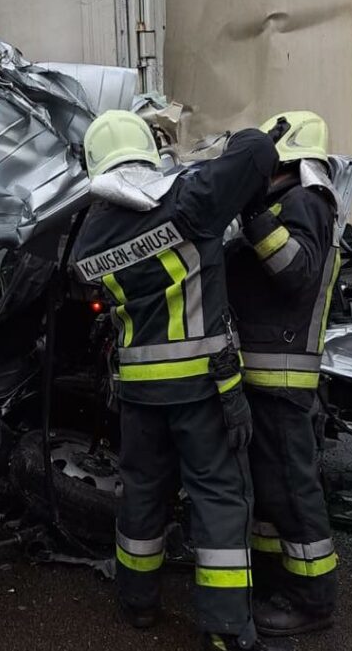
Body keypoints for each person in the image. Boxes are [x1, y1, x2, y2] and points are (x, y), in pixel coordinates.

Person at [71, 110, 277, 651]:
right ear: (145, 149)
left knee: (141, 493)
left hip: (139, 394)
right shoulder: (188, 200)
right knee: (218, 498)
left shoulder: (85, 244)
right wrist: (224, 143)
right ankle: (227, 628)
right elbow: (256, 152)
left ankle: (137, 603)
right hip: (204, 387)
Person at [225, 111, 340, 637]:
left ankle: (313, 600)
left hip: (283, 374)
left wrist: (252, 217)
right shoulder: (286, 201)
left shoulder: (305, 200)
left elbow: (295, 271)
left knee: (293, 490)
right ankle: (277, 576)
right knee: (272, 489)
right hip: (265, 373)